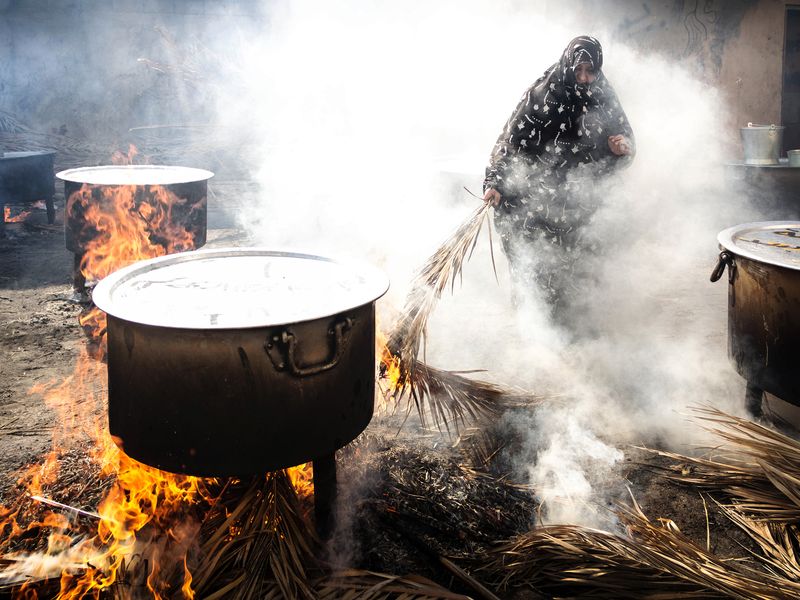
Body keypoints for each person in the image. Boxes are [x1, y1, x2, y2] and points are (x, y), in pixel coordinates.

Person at [482, 35, 634, 323]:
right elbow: (510, 141)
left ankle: (570, 322)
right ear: (568, 66)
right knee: (535, 267)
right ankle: (533, 324)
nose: (585, 78)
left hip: (579, 197)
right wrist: (496, 181)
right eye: (579, 71)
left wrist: (621, 148)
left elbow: (625, 140)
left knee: (575, 271)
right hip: (536, 194)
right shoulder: (543, 94)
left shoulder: (604, 94)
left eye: (591, 71)